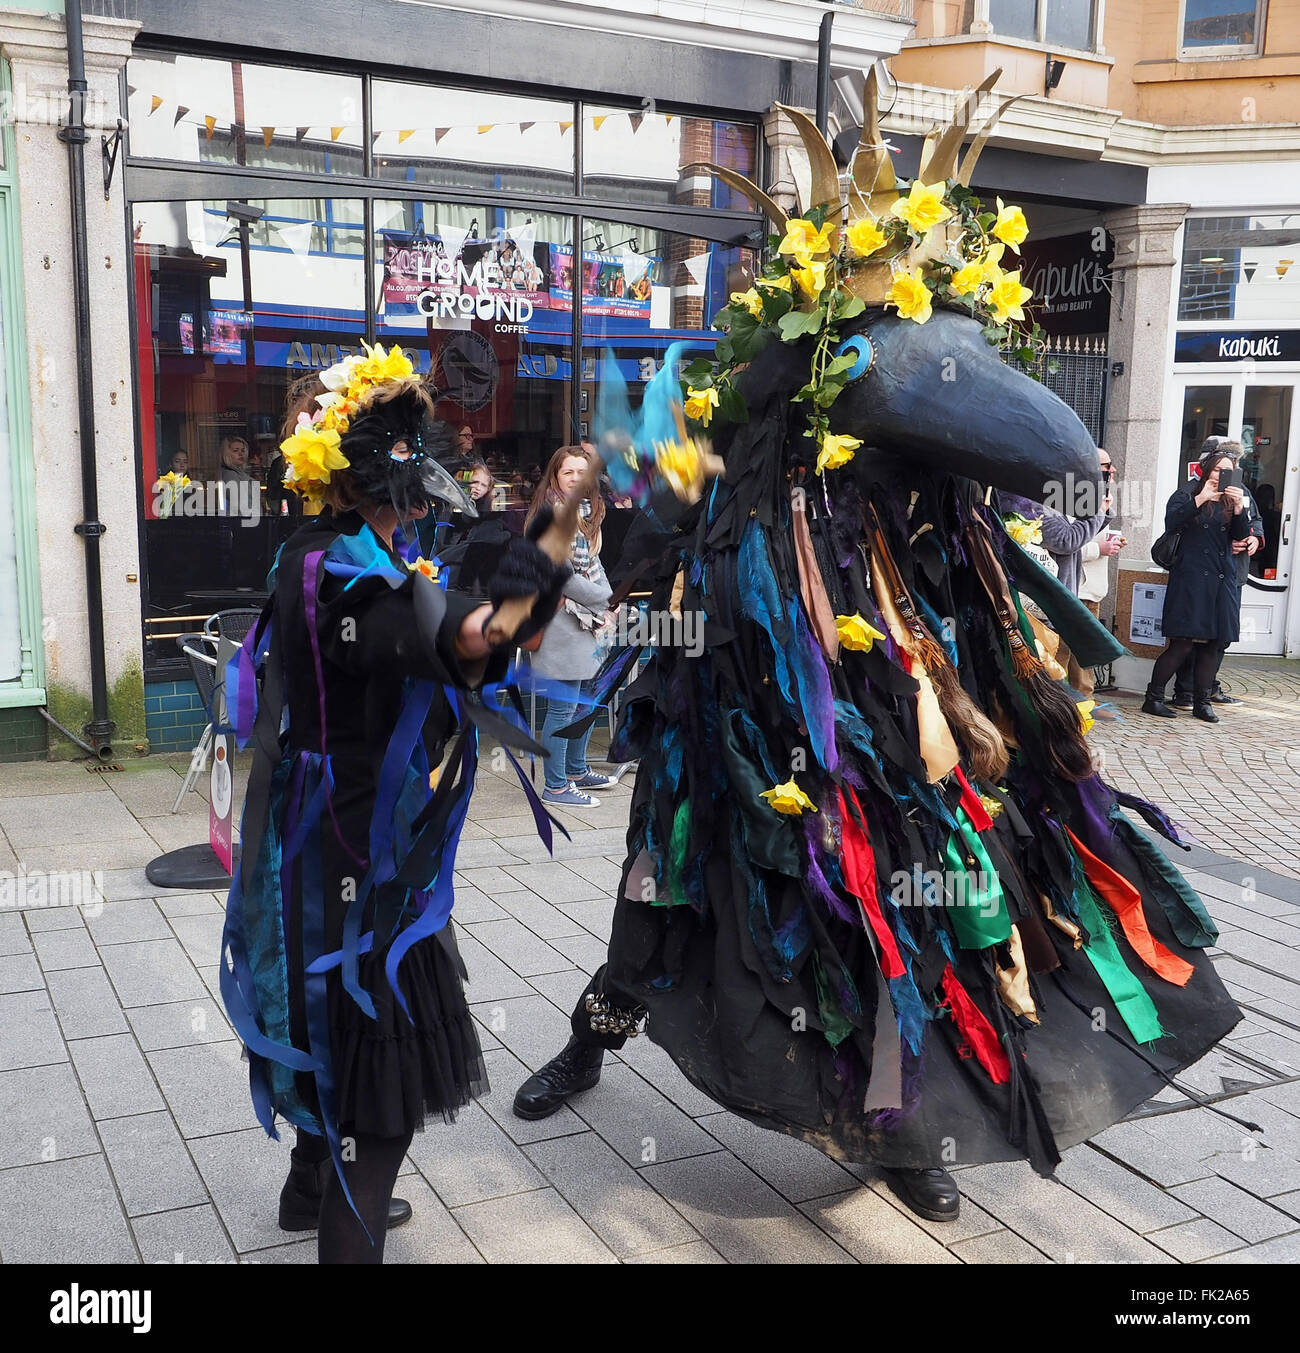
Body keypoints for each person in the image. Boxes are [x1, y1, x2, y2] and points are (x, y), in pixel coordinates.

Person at [514, 95, 1242, 1227]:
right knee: (663, 903)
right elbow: (665, 566)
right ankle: (588, 1044)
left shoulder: (912, 426)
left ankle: (910, 1134)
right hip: (749, 722)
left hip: (899, 716)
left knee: (908, 910)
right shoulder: (752, 428)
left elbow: (1048, 451)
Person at [221, 347, 568, 1264]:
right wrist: (545, 555)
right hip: (360, 859)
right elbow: (475, 644)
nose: (418, 493)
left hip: (310, 837)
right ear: (378, 475)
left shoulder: (306, 555)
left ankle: (304, 1187)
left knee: (322, 1018)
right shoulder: (356, 581)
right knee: (377, 1113)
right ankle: (338, 1210)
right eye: (409, 468)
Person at [527, 444, 620, 808]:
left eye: (583, 472)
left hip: (588, 621)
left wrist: (608, 599)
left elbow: (592, 563)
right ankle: (556, 786)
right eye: (568, 472)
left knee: (586, 699)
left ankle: (577, 769)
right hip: (558, 620)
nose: (576, 479)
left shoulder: (584, 513)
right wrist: (605, 601)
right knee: (563, 707)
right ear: (555, 476)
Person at [1142, 444, 1253, 723]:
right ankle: (1153, 698)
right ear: (1205, 469)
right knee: (1183, 643)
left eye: (1228, 472)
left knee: (1213, 644)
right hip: (1191, 578)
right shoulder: (1187, 493)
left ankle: (1202, 703)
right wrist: (1200, 499)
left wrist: (1240, 509)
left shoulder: (1234, 499)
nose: (1221, 476)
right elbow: (1172, 523)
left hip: (1221, 579)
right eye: (1217, 469)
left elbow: (1240, 536)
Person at [1000, 465, 1110, 696]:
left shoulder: (1051, 497)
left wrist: (1100, 511)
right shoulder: (1025, 501)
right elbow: (1066, 539)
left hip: (1052, 602)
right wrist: (1097, 511)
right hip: (1041, 607)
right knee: (1051, 678)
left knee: (1063, 672)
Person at [1171, 438, 1262, 709]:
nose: (1226, 471)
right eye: (1220, 464)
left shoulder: (1241, 491)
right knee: (1191, 635)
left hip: (1232, 574)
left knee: (1219, 637)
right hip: (1202, 574)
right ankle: (1184, 690)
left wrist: (1254, 538)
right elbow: (1181, 526)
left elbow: (1253, 521)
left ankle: (1208, 688)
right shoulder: (1191, 492)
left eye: (1232, 464)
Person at [1076, 448, 1125, 688]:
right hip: (1076, 592)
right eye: (1107, 466)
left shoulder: (1099, 497)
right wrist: (1100, 549)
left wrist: (1110, 543)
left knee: (1084, 667)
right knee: (1071, 665)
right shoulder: (1071, 499)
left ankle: (1083, 712)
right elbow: (1066, 546)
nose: (1113, 470)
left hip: (1091, 592)